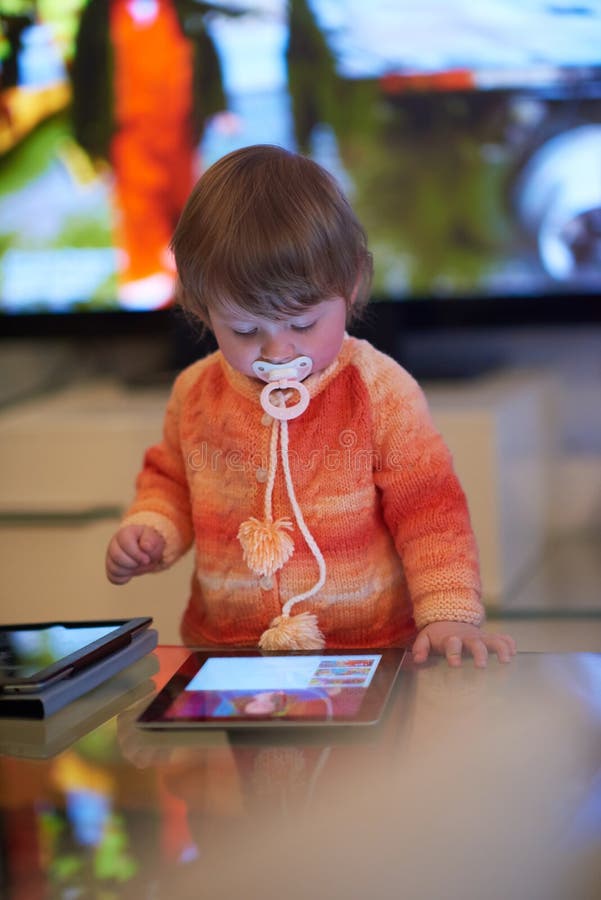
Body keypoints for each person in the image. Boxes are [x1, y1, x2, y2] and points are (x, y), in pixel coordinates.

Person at [105, 144, 516, 668]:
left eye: (303, 325)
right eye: (246, 330)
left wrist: (448, 613)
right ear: (203, 310)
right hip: (228, 657)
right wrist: (151, 528)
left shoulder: (379, 389)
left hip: (371, 652)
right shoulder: (194, 394)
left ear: (349, 287)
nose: (279, 350)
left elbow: (430, 510)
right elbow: (171, 482)